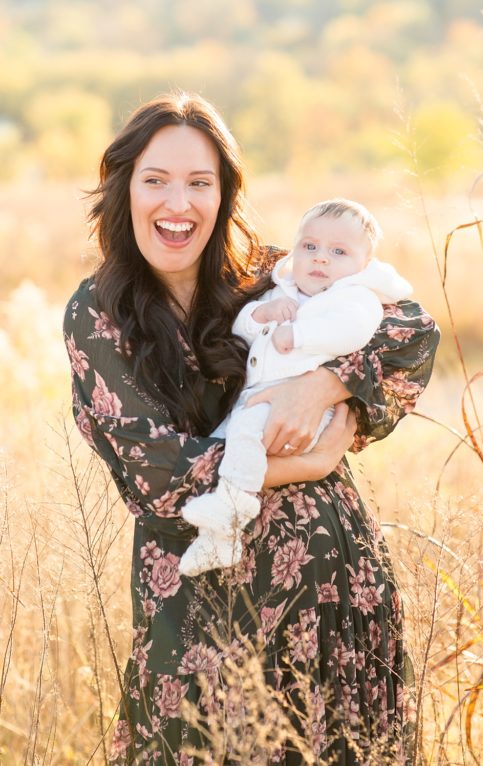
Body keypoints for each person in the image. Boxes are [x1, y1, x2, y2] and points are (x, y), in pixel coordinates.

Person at [63, 92, 439, 764]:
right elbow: (158, 477)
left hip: (335, 598)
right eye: (156, 181)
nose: (178, 203)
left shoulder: (271, 274)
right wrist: (315, 461)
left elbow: (413, 331)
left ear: (224, 195)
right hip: (203, 620)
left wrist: (325, 384)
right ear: (123, 190)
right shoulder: (99, 313)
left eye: (199, 183)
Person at [179, 198, 414, 576]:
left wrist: (299, 333)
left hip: (304, 411)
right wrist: (263, 314)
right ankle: (220, 538)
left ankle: (232, 510)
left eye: (338, 251)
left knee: (243, 438)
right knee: (225, 443)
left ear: (363, 265)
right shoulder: (283, 289)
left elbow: (352, 331)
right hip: (258, 400)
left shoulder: (355, 297)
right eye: (310, 246)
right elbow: (242, 330)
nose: (320, 258)